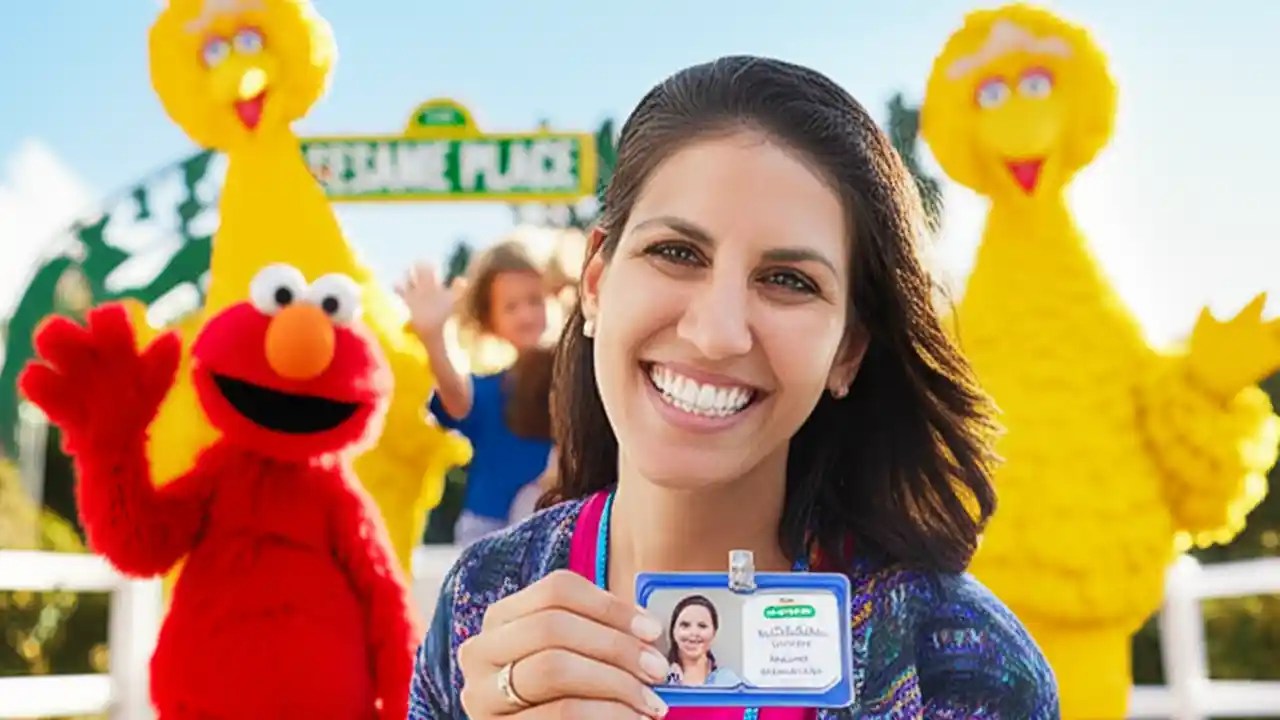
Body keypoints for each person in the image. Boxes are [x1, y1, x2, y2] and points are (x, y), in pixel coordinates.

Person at [409, 55, 1059, 719]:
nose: (717, 333)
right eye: (677, 253)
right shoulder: (482, 601)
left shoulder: (960, 662)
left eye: (789, 281)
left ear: (848, 349)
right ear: (598, 281)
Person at [399, 241, 554, 545]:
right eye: (511, 307)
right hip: (489, 529)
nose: (526, 315)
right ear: (490, 319)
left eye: (535, 300)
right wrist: (433, 338)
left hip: (557, 523)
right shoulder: (491, 388)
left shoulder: (577, 374)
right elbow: (457, 401)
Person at [664, 595, 740, 688]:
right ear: (673, 631)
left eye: (702, 626)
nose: (693, 633)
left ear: (714, 633)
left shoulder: (728, 681)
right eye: (685, 625)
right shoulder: (659, 677)